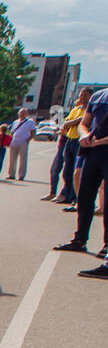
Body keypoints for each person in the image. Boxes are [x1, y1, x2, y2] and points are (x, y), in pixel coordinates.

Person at [54, 86, 108, 267]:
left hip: (101, 148)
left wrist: (98, 141)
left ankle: (107, 245)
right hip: (92, 153)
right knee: (85, 196)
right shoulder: (99, 96)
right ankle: (80, 239)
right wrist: (84, 135)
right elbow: (85, 122)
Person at [45, 88, 90, 202]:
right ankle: (67, 196)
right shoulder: (76, 109)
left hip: (80, 142)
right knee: (67, 171)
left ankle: (75, 198)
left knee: (78, 171)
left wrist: (75, 122)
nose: (82, 96)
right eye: (81, 94)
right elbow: (65, 124)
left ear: (90, 96)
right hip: (70, 141)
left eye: (85, 94)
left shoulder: (90, 109)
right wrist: (77, 121)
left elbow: (85, 122)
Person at [7, 107, 35, 180]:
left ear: (26, 114)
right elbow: (12, 132)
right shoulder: (15, 122)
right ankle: (11, 174)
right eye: (20, 113)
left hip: (23, 142)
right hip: (14, 142)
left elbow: (33, 132)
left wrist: (28, 140)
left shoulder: (30, 122)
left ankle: (21, 175)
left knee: (23, 160)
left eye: (23, 113)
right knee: (12, 159)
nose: (21, 114)